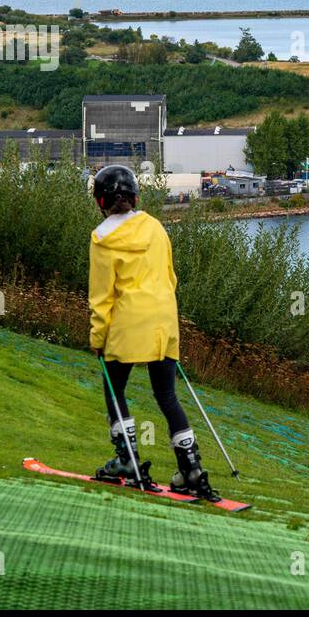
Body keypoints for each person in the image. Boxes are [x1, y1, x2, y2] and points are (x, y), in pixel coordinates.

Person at [88, 165, 220, 502]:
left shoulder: (102, 239)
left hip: (127, 322)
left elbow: (102, 296)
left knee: (115, 390)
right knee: (167, 396)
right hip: (164, 320)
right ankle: (190, 469)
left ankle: (126, 460)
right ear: (134, 196)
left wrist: (97, 338)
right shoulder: (156, 228)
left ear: (101, 200)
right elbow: (171, 277)